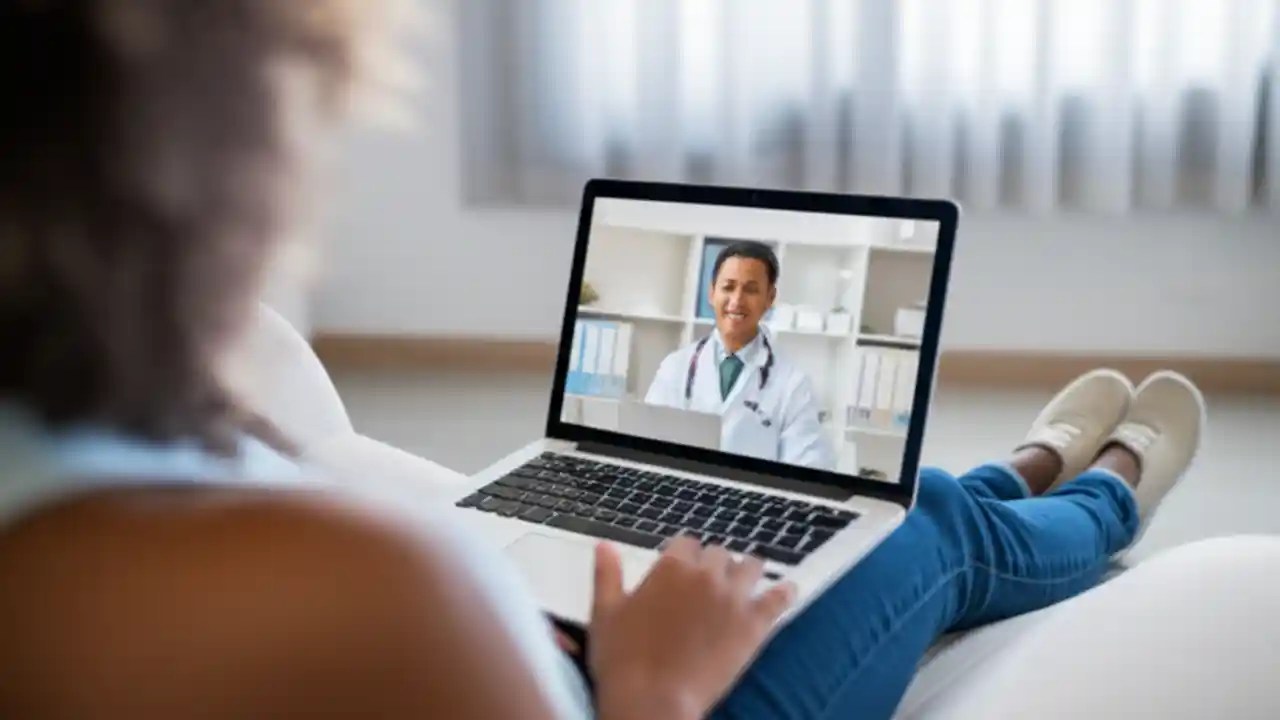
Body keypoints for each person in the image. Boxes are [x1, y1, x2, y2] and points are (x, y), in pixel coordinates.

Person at [0, 2, 1207, 718]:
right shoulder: (375, 605)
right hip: (646, 691)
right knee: (914, 520)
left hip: (608, 615)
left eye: (748, 290)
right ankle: (1096, 492)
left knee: (865, 503)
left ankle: (1024, 474)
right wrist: (652, 686)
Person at [645, 241, 837, 470]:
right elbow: (648, 450)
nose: (736, 300)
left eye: (751, 289)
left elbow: (807, 468)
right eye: (728, 287)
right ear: (711, 292)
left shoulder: (793, 385)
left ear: (770, 298)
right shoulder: (675, 368)